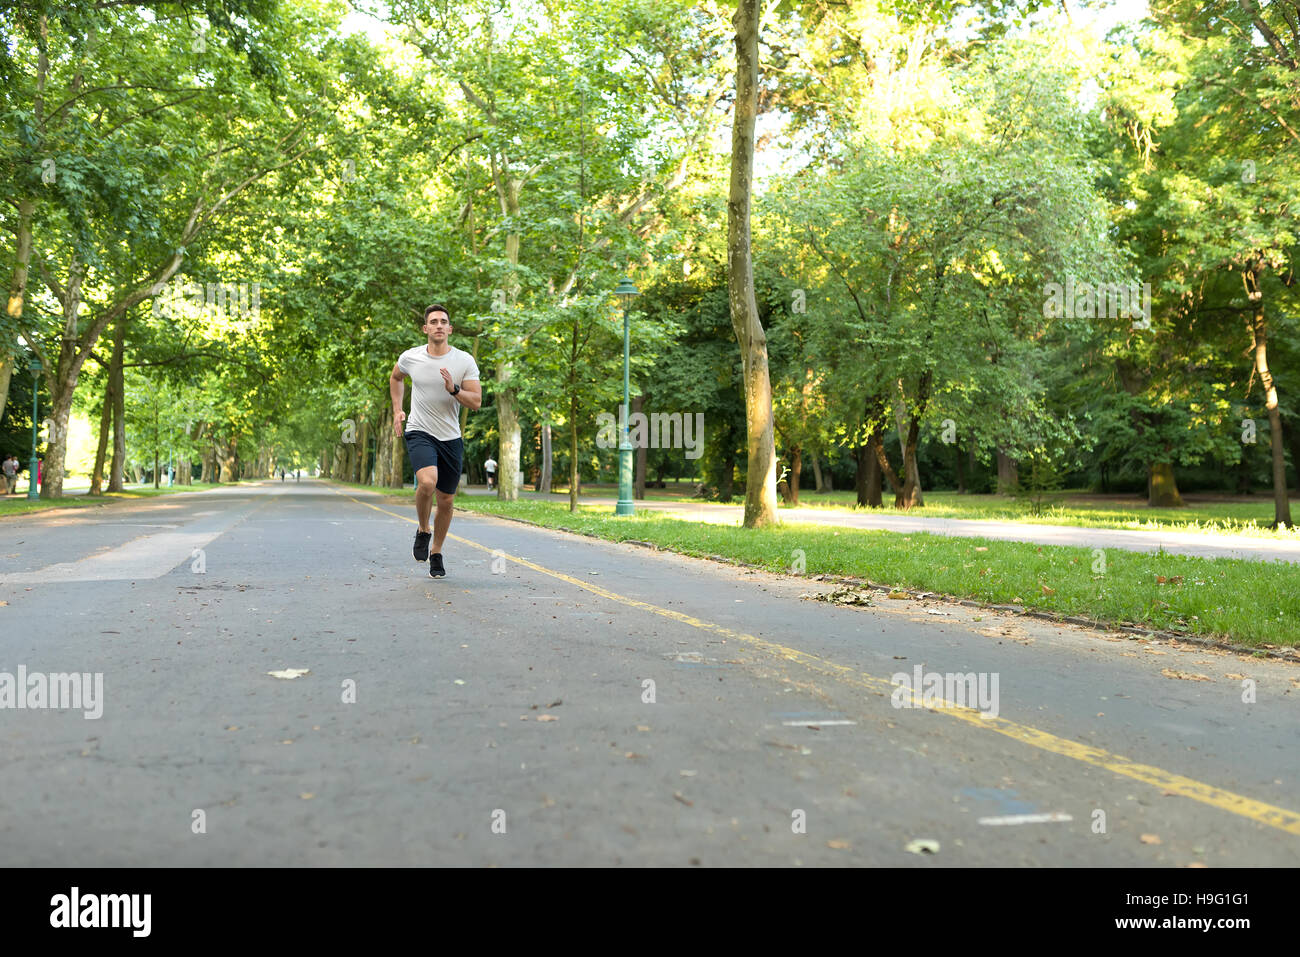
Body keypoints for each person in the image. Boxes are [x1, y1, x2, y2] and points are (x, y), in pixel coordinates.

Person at [390, 303, 482, 578]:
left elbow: (476, 402)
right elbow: (396, 378)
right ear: (425, 328)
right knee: (427, 482)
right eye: (434, 321)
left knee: (446, 500)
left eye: (444, 321)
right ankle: (423, 529)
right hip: (419, 430)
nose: (439, 325)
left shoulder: (464, 361)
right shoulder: (411, 357)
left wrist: (454, 389)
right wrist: (398, 410)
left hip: (450, 436)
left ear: (450, 329)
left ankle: (437, 552)